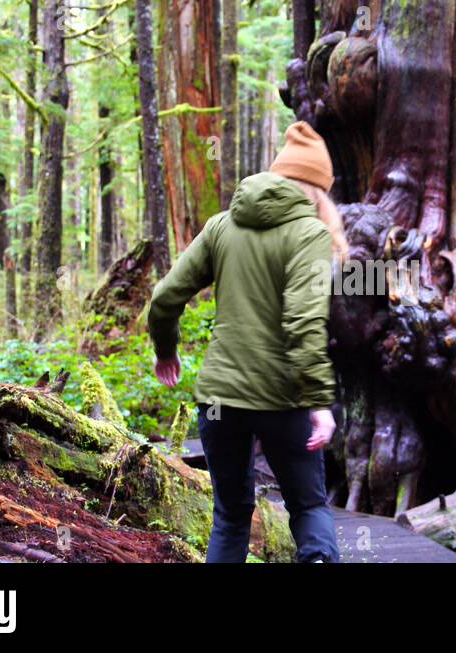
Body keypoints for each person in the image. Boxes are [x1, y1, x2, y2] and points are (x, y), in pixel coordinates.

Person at [148, 121, 346, 563]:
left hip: (221, 400)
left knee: (232, 516)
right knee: (309, 506)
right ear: (319, 190)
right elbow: (303, 322)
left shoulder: (222, 226)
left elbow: (164, 297)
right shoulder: (309, 234)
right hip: (284, 399)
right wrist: (318, 402)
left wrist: (166, 349)